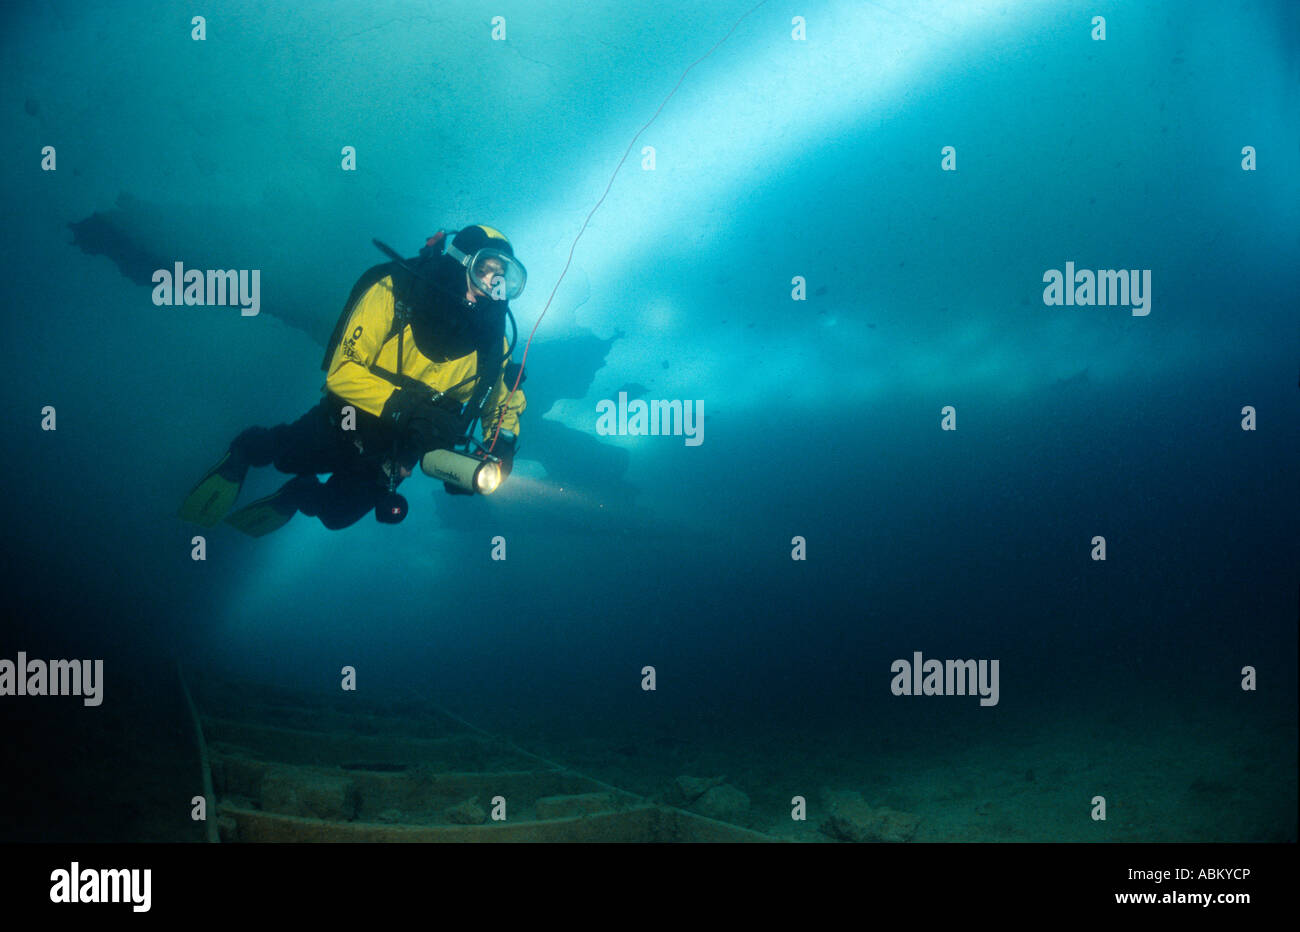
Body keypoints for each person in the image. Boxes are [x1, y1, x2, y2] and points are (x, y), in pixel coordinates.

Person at [179, 225, 528, 536]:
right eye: (485, 271)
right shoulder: (394, 290)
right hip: (344, 422)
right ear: (459, 262)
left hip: (393, 455)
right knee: (286, 456)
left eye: (503, 280)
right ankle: (243, 452)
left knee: (336, 515)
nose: (492, 288)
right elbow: (342, 371)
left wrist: (504, 445)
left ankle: (300, 493)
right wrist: (409, 410)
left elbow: (502, 402)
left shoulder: (493, 342)